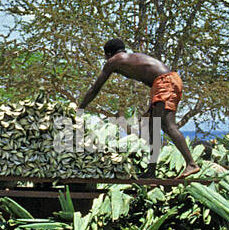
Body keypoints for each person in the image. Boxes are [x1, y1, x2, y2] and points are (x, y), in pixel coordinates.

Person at [78, 39, 200, 179]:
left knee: (168, 125)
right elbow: (155, 82)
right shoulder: (130, 59)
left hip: (166, 82)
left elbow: (95, 88)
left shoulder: (115, 60)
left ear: (108, 54)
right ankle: (151, 171)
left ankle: (191, 164)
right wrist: (150, 108)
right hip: (164, 83)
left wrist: (80, 108)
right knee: (153, 126)